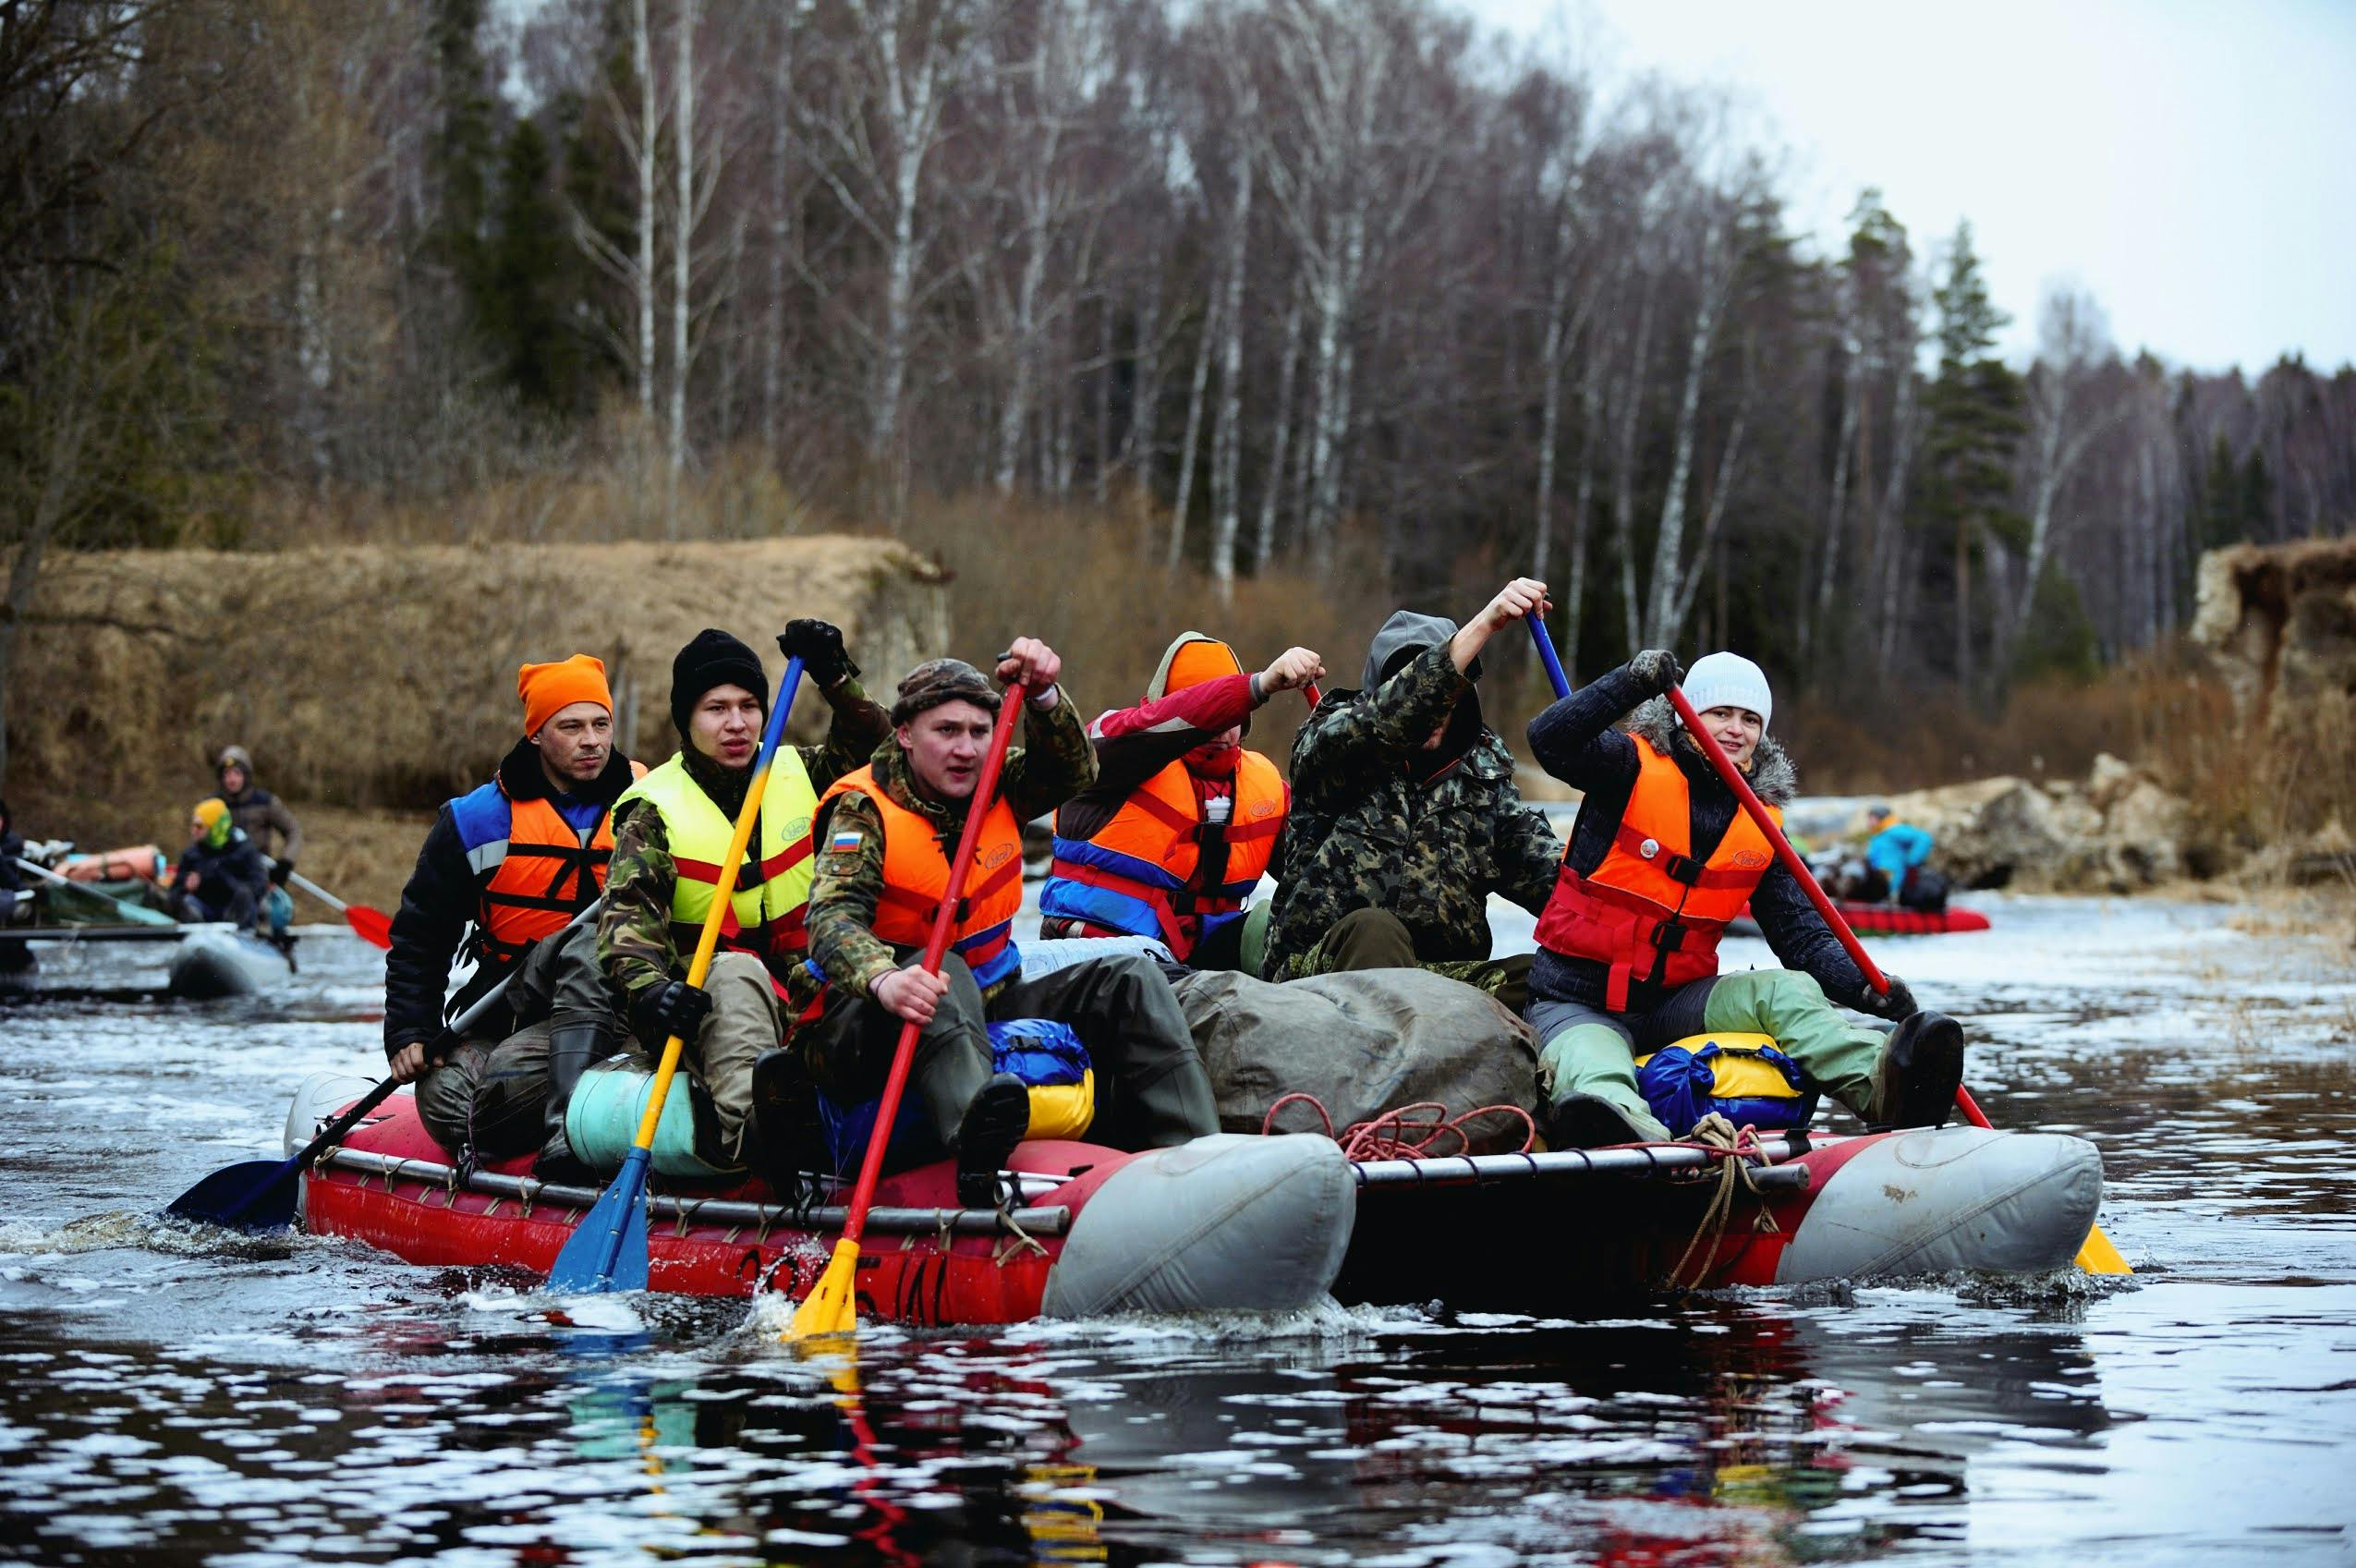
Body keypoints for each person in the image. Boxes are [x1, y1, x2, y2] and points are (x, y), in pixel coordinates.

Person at [802, 644, 1221, 1204]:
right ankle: (975, 1147)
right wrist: (885, 978)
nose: (966, 749)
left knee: (1129, 979)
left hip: (990, 996)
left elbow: (1075, 770)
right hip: (866, 1022)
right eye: (946, 730)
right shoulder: (863, 810)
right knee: (938, 970)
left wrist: (1045, 696)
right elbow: (830, 918)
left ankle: (1200, 1157)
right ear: (904, 734)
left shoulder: (1001, 780)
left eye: (980, 731)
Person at [1522, 649, 1964, 1148]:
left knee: (1785, 990)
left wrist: (1867, 987)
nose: (1736, 729)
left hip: (1673, 1004)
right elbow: (1549, 738)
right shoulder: (1624, 766)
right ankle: (1634, 1140)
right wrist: (1631, 681)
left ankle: (1884, 1085)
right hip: (1577, 999)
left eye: (1750, 719)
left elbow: (1803, 937)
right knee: (1591, 1064)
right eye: (1719, 713)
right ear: (1686, 713)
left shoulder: (1761, 822)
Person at [598, 622, 893, 1175]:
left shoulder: (802, 770)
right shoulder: (653, 811)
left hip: (807, 987)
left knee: (880, 970)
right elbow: (625, 932)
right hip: (702, 1003)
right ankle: (752, 1139)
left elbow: (879, 751)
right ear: (687, 719)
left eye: (749, 706)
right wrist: (653, 993)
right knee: (736, 974)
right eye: (716, 708)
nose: (736, 723)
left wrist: (834, 677)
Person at [384, 654, 646, 1174]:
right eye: (570, 727)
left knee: (588, 944)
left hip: (629, 993)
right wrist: (410, 1030)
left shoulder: (650, 801)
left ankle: (575, 1122)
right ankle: (584, 1109)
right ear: (536, 736)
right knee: (444, 1100)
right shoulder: (478, 819)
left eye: (601, 724)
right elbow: (423, 933)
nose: (591, 740)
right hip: (515, 1000)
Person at [1258, 578, 1561, 1005]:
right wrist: (1484, 626)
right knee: (1376, 931)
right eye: (1415, 688)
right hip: (1321, 974)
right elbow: (1388, 718)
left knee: (1546, 980)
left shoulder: (1484, 782)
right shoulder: (1333, 745)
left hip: (1436, 981)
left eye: (1447, 694)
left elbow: (1557, 885)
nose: (1434, 708)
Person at [1038, 633, 1323, 968]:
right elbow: (1158, 723)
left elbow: (1320, 879)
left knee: (1270, 924)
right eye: (1211, 714)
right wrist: (1257, 687)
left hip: (1208, 970)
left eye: (1230, 715)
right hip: (1106, 962)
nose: (1220, 729)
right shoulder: (1106, 755)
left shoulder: (1267, 787)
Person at [214, 747, 301, 946]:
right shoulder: (213, 805)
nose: (232, 779)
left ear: (246, 775)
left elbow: (294, 831)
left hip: (258, 876)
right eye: (227, 774)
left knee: (271, 911)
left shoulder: (265, 803)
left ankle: (273, 941)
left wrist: (286, 863)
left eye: (236, 773)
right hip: (223, 875)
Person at [167, 798, 272, 931]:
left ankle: (240, 934)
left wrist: (221, 877)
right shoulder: (191, 855)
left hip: (235, 910)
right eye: (193, 825)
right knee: (183, 900)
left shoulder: (245, 850)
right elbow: (175, 891)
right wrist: (185, 887)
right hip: (206, 911)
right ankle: (197, 934)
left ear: (215, 827)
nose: (194, 830)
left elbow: (259, 884)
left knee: (245, 894)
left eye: (199, 826)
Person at [1863, 804, 1937, 906]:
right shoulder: (1879, 835)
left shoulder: (1894, 830)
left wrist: (1912, 860)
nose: (1868, 822)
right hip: (1879, 883)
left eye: (1871, 818)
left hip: (1894, 883)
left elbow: (1924, 838)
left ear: (1880, 818)